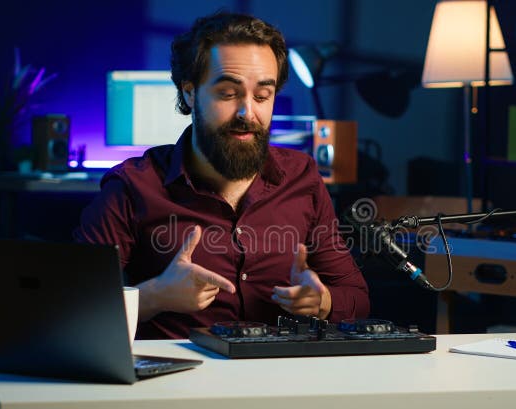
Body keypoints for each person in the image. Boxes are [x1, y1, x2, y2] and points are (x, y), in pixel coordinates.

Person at [74, 11, 369, 340]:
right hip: (176, 384)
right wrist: (155, 296)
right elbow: (73, 309)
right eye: (228, 94)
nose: (247, 112)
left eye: (262, 96)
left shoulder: (302, 177)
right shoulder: (133, 186)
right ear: (189, 92)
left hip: (281, 380)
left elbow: (357, 297)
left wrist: (322, 301)